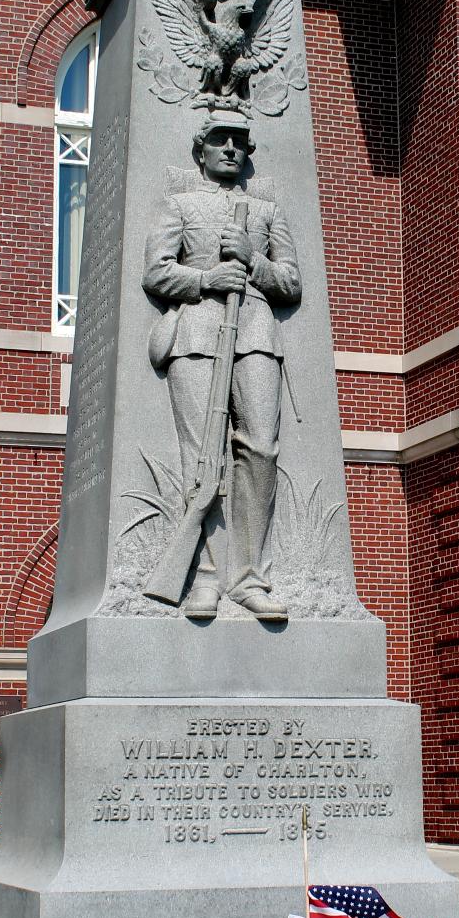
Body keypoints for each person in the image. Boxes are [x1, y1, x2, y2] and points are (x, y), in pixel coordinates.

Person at [142, 111, 301, 619]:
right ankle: (206, 575)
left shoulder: (267, 212)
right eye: (219, 140)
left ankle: (248, 578)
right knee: (203, 456)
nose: (230, 148)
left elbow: (290, 283)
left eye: (238, 141)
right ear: (202, 150)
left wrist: (254, 259)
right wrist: (206, 279)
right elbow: (156, 273)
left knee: (261, 448)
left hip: (254, 333)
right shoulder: (180, 205)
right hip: (194, 335)